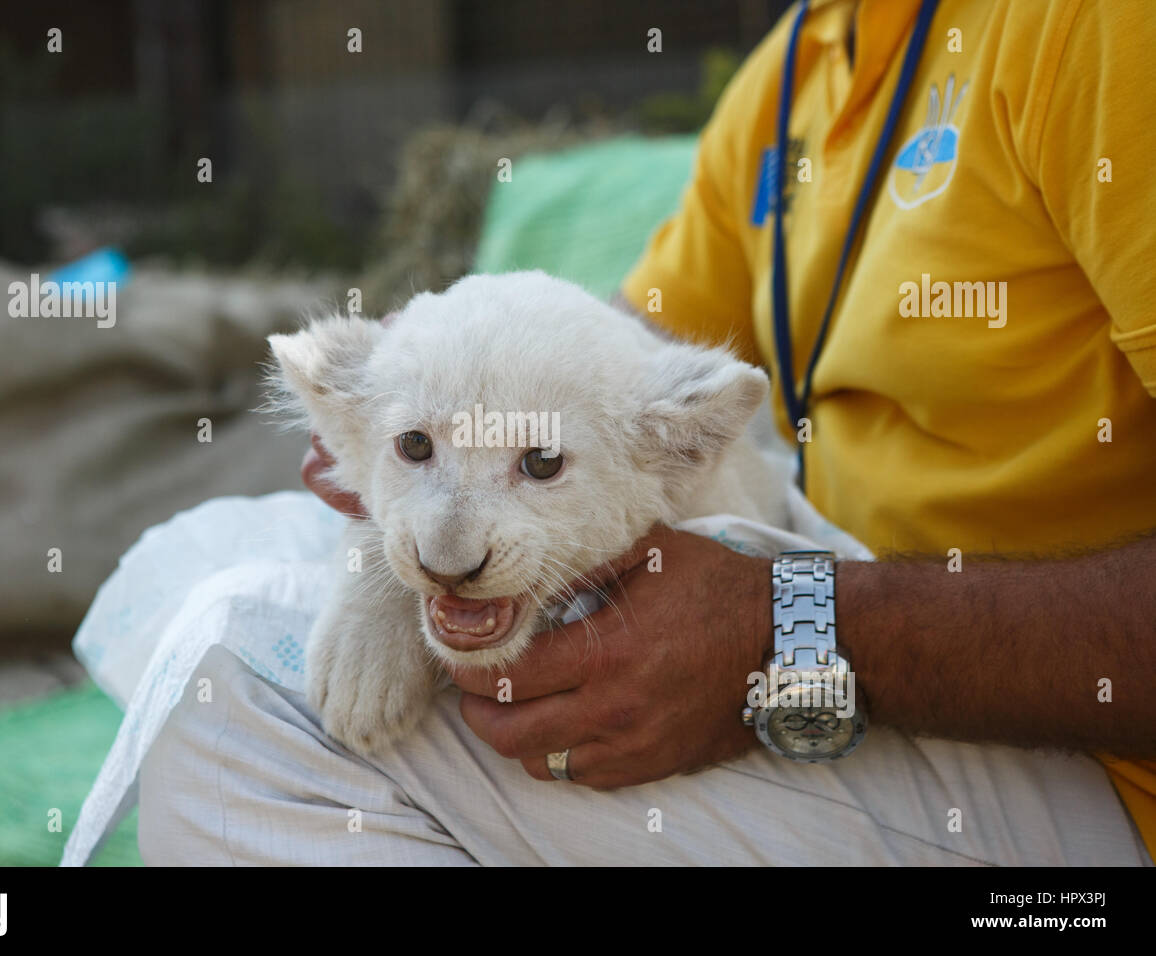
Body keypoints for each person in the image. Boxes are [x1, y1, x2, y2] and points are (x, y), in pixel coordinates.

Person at [138, 0, 1155, 865]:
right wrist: (404, 420)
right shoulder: (796, 69)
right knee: (241, 566)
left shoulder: (1097, 29)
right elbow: (605, 366)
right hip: (869, 682)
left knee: (228, 696)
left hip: (1089, 782)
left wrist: (787, 630)